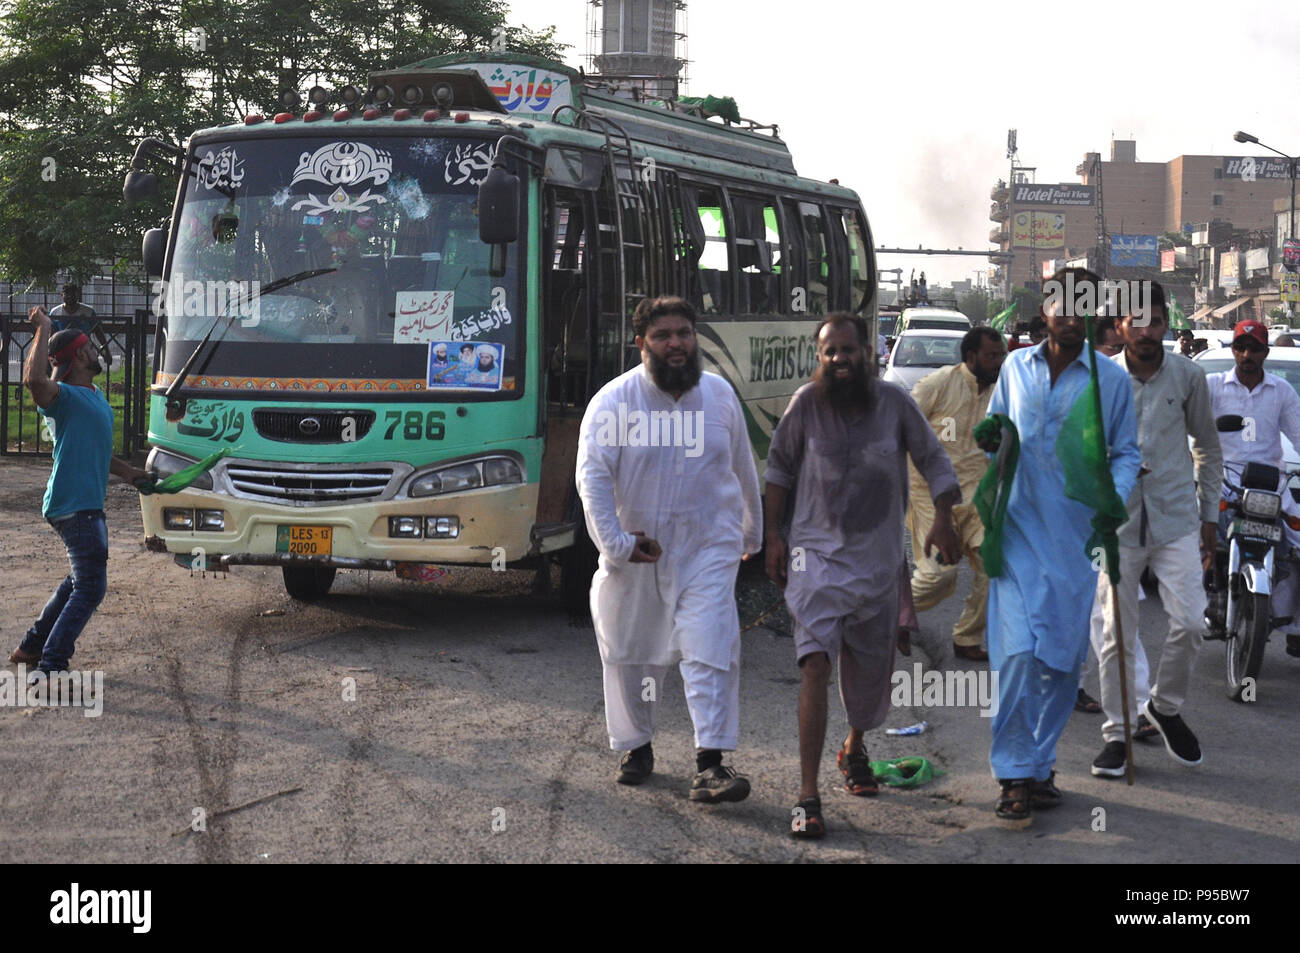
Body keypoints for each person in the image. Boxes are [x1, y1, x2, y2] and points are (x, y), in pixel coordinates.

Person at [764, 313, 960, 838]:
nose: (838, 360)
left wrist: (942, 518)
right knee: (814, 665)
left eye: (847, 350)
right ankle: (807, 796)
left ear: (866, 352)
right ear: (819, 357)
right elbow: (778, 469)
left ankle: (854, 744)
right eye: (829, 352)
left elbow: (934, 460)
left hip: (876, 564)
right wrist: (774, 538)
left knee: (869, 679)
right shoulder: (806, 404)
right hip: (816, 562)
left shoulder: (895, 404)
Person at [576, 296, 762, 802]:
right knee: (631, 653)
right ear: (642, 345)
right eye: (663, 336)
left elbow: (743, 466)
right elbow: (591, 478)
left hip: (708, 547)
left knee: (710, 646)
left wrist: (752, 533)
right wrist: (616, 544)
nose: (676, 344)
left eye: (684, 333)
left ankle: (712, 763)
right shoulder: (613, 403)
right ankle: (636, 746)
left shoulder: (720, 396)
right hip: (638, 553)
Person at [979, 267, 1140, 823]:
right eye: (1061, 306)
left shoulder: (1109, 382)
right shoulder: (1016, 368)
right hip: (1018, 531)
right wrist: (989, 439)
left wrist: (1112, 502)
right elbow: (997, 429)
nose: (1070, 317)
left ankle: (1040, 762)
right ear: (1045, 310)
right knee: (1018, 656)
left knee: (1060, 666)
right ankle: (1014, 773)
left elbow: (1125, 454)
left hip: (1074, 542)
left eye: (1082, 307)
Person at [1090, 282, 1222, 777]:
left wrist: (1210, 516)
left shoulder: (1189, 377)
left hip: (1176, 519)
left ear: (1167, 324)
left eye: (1156, 321)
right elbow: (1079, 448)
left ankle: (1163, 707)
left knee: (1190, 622)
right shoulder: (1099, 380)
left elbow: (1208, 446)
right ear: (1119, 326)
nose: (1147, 332)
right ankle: (1116, 735)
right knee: (1114, 634)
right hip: (1115, 524)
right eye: (1136, 322)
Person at [8, 308, 150, 683]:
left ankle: (32, 646)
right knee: (91, 586)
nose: (95, 351)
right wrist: (44, 328)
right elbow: (34, 381)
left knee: (79, 580)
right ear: (77, 358)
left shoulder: (94, 395)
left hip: (84, 502)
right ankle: (52, 665)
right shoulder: (64, 396)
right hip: (74, 505)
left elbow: (97, 450)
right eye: (88, 347)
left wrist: (129, 474)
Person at [906, 326, 1006, 662]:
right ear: (971, 357)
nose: (998, 361)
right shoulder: (938, 384)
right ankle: (882, 616)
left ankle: (967, 637)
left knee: (993, 565)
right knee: (940, 577)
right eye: (991, 355)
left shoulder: (1003, 391)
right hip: (930, 495)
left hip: (979, 494)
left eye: (1001, 355)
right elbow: (902, 426)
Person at [1206, 318, 1300, 656]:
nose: (1247, 354)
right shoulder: (1212, 385)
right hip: (1223, 482)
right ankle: (1208, 601)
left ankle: (1294, 625)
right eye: (1241, 348)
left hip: (1271, 486)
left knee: (1297, 543)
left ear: (1265, 352)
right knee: (1193, 533)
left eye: (1255, 348)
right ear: (1234, 350)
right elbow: (1188, 427)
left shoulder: (1281, 392)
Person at [49, 284, 111, 375]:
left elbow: (98, 332)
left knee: (83, 376)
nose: (70, 296)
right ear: (61, 295)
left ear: (78, 295)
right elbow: (52, 335)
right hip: (63, 352)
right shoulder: (55, 312)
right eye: (67, 294)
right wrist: (50, 353)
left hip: (83, 351)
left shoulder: (88, 311)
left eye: (73, 294)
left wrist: (107, 351)